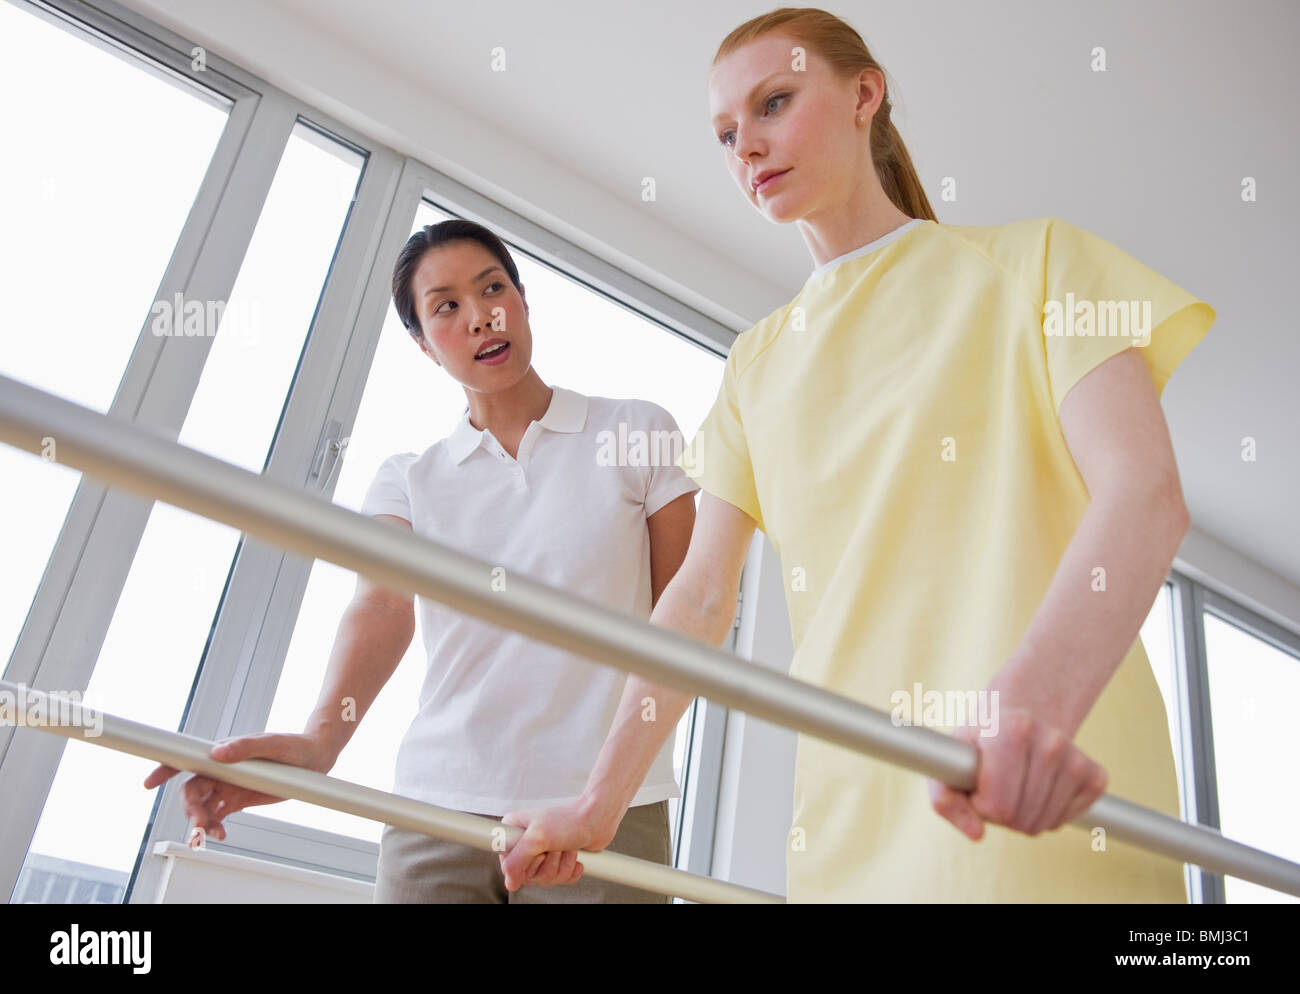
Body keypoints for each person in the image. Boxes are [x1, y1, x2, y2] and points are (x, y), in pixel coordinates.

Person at [496, 7, 1215, 902]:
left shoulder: (1040, 265)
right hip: (850, 832)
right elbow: (700, 596)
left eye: (774, 104)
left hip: (1036, 786)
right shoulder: (755, 366)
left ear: (864, 94)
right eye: (725, 134)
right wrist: (600, 802)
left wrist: (1032, 705)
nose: (746, 147)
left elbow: (1143, 492)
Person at [143, 218, 700, 903]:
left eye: (493, 288)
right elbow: (380, 605)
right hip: (439, 806)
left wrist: (605, 794)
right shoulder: (410, 478)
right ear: (422, 344)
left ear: (522, 300)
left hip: (609, 808)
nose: (480, 317)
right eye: (446, 306)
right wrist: (321, 743)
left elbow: (686, 619)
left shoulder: (635, 430)